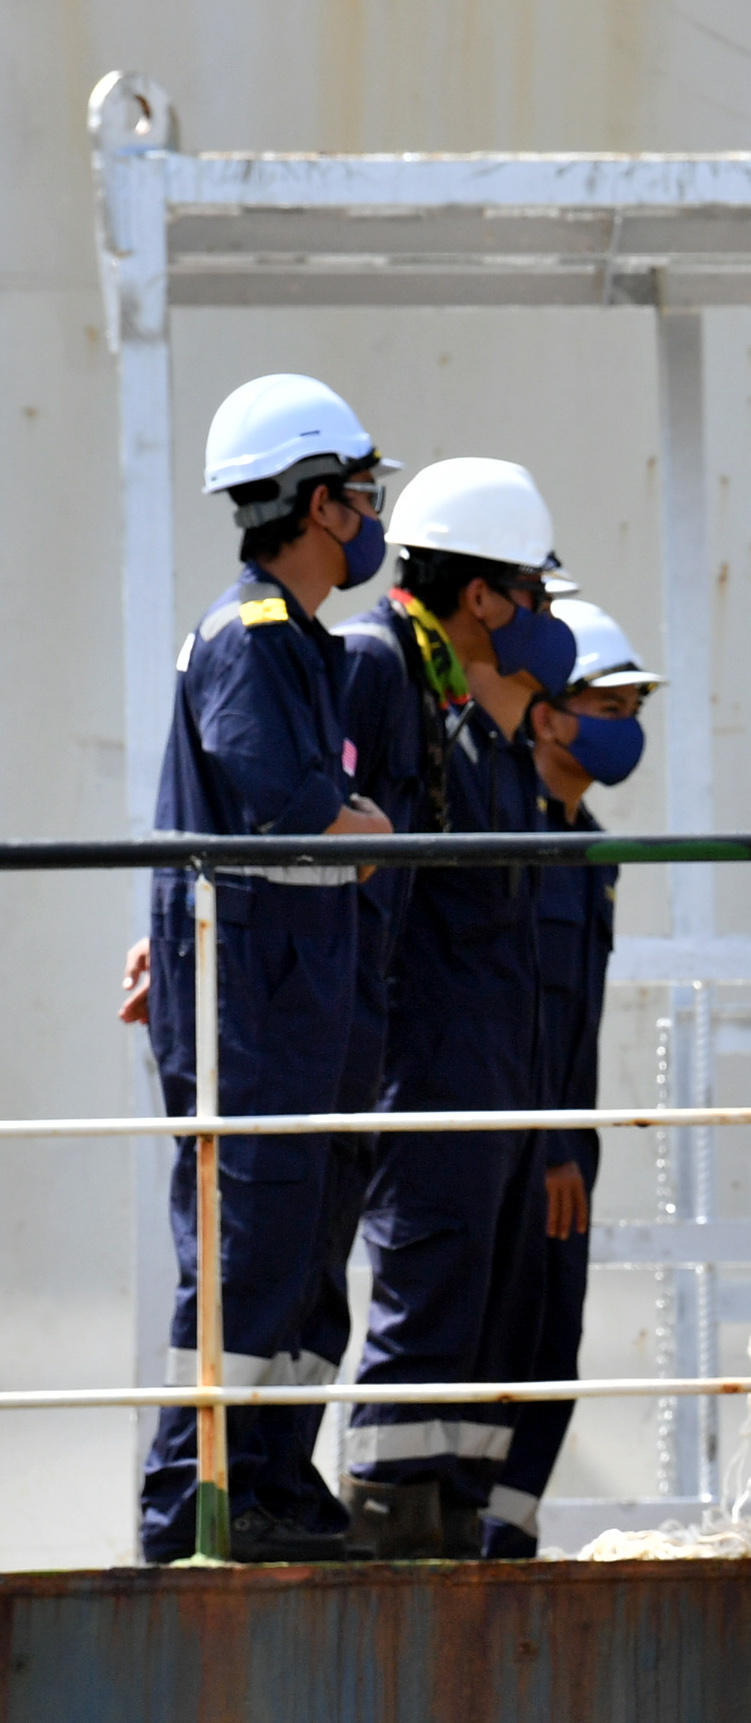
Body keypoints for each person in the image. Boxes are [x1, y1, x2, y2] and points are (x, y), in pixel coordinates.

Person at [119, 373, 396, 1563]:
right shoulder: (253, 640)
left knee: (305, 1247)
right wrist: (374, 829)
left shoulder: (304, 648)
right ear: (318, 504)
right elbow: (284, 807)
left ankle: (276, 1475)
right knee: (245, 1250)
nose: (371, 515)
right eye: (360, 493)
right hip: (253, 1008)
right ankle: (197, 1499)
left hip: (297, 999)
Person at [333, 459, 579, 1559]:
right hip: (429, 1058)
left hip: (490, 1068)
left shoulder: (461, 710)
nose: (536, 616)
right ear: (480, 595)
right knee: (428, 1283)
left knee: (483, 1301)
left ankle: (449, 1514)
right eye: (526, 590)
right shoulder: (377, 669)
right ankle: (391, 1520)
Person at [480, 603, 657, 1556]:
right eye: (607, 701)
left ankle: (505, 1542)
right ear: (546, 715)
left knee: (550, 1353)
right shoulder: (499, 835)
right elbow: (511, 1009)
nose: (626, 721)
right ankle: (460, 1537)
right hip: (512, 1141)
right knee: (485, 1348)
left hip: (561, 1144)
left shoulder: (587, 849)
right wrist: (546, 1143)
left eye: (635, 704)